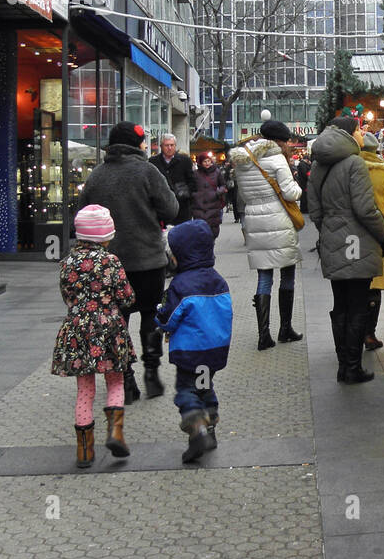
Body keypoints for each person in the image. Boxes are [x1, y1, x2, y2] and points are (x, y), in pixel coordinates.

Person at [80, 121, 179, 401]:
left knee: (116, 322)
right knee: (150, 314)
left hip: (109, 264)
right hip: (148, 260)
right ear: (136, 145)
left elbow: (82, 218)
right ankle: (151, 370)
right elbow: (171, 209)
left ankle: (125, 378)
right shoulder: (148, 171)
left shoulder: (96, 176)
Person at [308, 117, 384, 384]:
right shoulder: (354, 163)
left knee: (341, 305)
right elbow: (365, 209)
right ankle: (352, 368)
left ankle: (343, 364)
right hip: (357, 241)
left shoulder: (319, 165)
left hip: (333, 239)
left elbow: (315, 210)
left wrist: (330, 231)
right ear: (347, 134)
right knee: (357, 305)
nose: (361, 133)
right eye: (357, 130)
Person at [52, 205, 135, 468]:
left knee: (85, 390)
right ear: (105, 235)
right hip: (108, 327)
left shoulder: (67, 262)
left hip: (77, 328)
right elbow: (126, 297)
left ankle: (84, 452)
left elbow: (67, 297)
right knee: (115, 381)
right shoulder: (110, 261)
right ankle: (115, 432)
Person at [156, 219, 232, 463]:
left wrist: (160, 318)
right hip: (215, 351)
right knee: (205, 386)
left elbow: (170, 318)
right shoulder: (219, 280)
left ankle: (197, 427)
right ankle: (210, 431)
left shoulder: (181, 285)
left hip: (190, 352)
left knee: (187, 389)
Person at [229, 120, 304, 348]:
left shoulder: (242, 159)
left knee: (264, 276)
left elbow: (242, 193)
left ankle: (264, 335)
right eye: (285, 140)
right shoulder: (277, 158)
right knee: (287, 273)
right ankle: (285, 328)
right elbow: (290, 193)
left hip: (254, 219)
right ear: (277, 141)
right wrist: (299, 187)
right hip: (279, 219)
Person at [358, 132, 384, 351]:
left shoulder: (351, 167)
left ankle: (356, 331)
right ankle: (370, 333)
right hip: (381, 230)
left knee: (357, 284)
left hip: (356, 230)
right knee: (376, 284)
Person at [150, 133, 195, 225]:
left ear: (175, 146)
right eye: (166, 145)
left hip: (182, 206)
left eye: (172, 145)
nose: (169, 148)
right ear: (161, 146)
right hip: (161, 207)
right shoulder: (153, 162)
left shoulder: (185, 160)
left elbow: (192, 181)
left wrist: (185, 192)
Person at [191, 151, 227, 239]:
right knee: (201, 230)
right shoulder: (195, 174)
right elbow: (191, 187)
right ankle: (205, 250)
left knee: (213, 230)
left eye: (208, 161)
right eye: (205, 161)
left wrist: (219, 191)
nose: (207, 163)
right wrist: (195, 196)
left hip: (214, 205)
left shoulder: (217, 172)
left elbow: (223, 185)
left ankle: (210, 248)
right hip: (199, 206)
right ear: (201, 162)